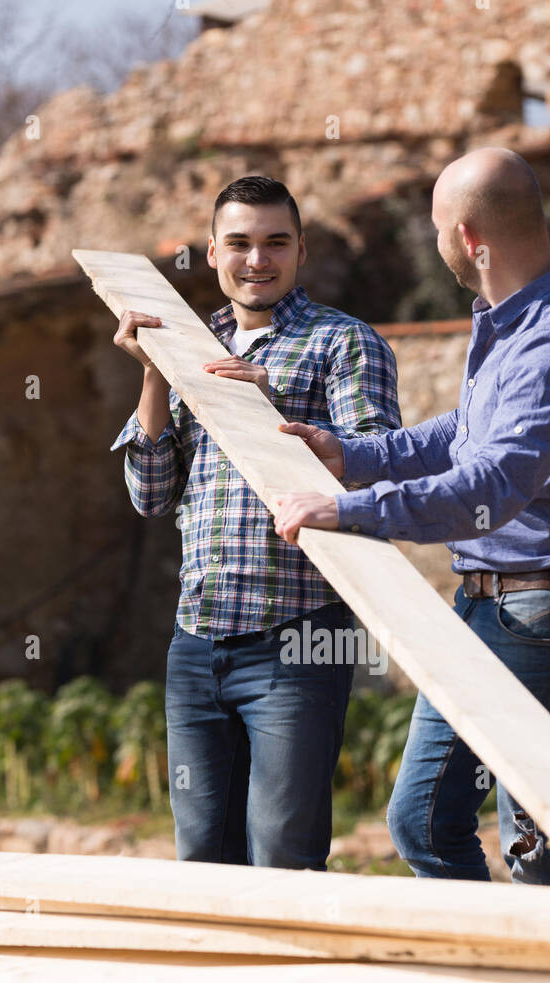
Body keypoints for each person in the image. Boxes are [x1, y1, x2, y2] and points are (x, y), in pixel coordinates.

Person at [273, 148, 550, 888]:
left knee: (542, 855)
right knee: (423, 821)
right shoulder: (513, 326)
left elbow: (493, 484)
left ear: (470, 239)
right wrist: (352, 456)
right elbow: (461, 435)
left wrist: (350, 511)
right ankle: (500, 980)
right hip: (486, 610)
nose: (436, 240)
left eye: (441, 226)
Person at [111, 175, 400, 869]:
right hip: (196, 641)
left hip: (297, 640)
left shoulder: (345, 344)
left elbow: (372, 478)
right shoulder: (187, 343)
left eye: (276, 243)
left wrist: (268, 412)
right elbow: (151, 497)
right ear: (212, 254)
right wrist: (155, 375)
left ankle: (299, 977)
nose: (257, 259)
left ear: (301, 251)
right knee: (203, 856)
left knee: (282, 854)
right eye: (239, 243)